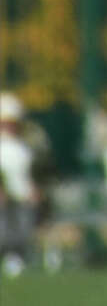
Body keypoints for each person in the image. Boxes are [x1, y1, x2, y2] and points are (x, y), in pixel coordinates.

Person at [0, 92, 55, 276]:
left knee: (25, 221)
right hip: (5, 197)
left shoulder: (29, 142)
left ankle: (18, 255)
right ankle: (11, 254)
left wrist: (35, 189)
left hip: (23, 193)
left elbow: (37, 171)